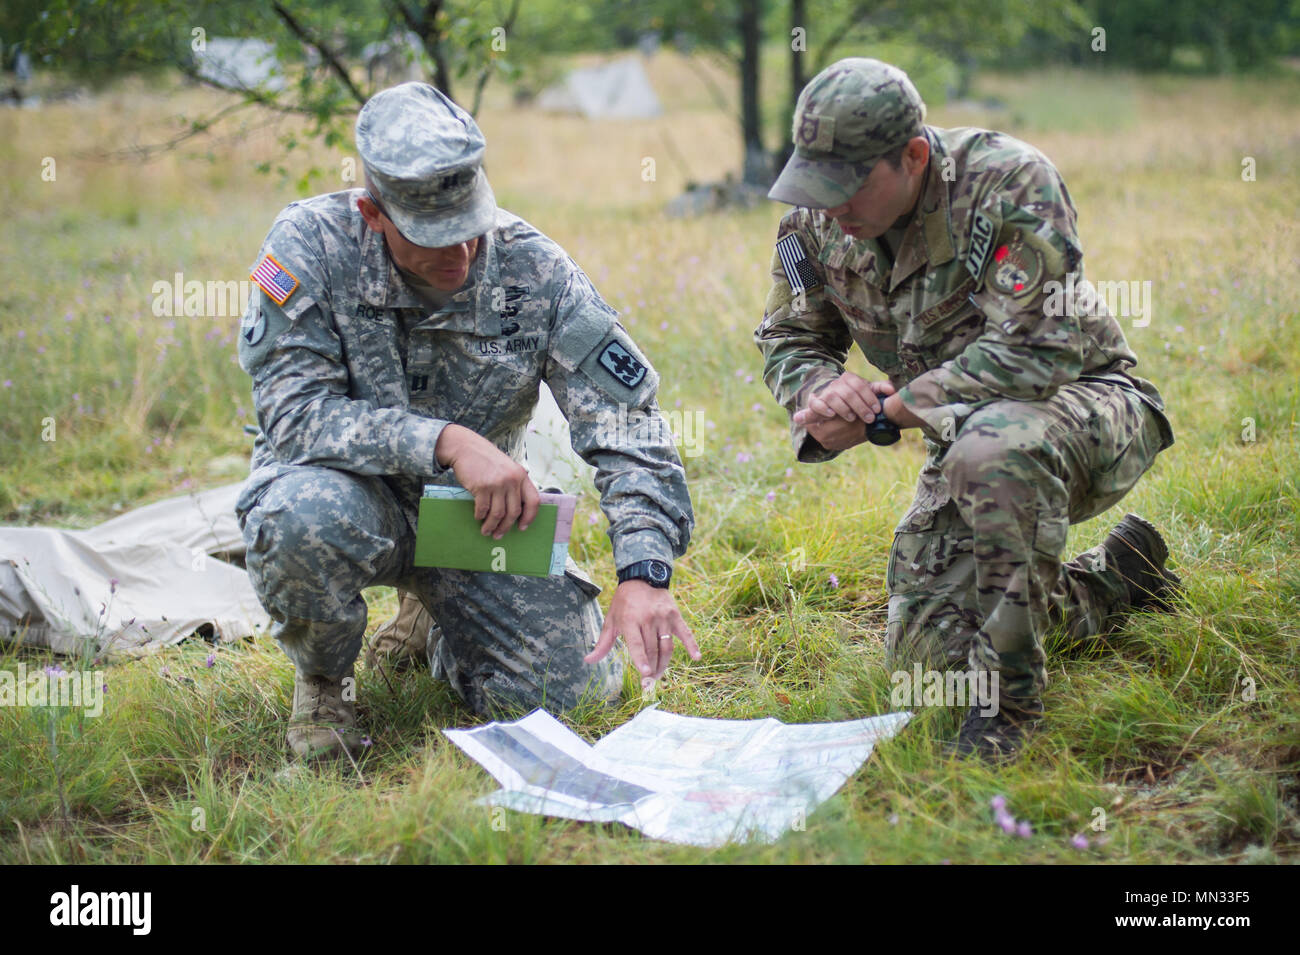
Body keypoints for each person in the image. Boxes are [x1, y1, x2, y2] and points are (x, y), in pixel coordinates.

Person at [235, 82, 698, 762]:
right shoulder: (309, 247)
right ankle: (325, 679)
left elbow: (629, 425)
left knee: (569, 695)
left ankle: (438, 623)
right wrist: (445, 441)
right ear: (373, 212)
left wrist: (644, 570)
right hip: (345, 500)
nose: (460, 255)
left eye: (470, 227)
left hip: (473, 520)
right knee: (298, 516)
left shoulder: (534, 269)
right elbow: (292, 414)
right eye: (433, 236)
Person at [755, 58, 1181, 761]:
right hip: (968, 441)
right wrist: (816, 390)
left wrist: (892, 409)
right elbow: (791, 334)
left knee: (993, 446)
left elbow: (1041, 352)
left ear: (913, 156)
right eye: (814, 182)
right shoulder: (813, 219)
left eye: (847, 185)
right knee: (926, 657)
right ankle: (1117, 580)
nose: (829, 206)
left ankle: (1006, 709)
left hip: (1086, 406)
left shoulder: (1008, 183)